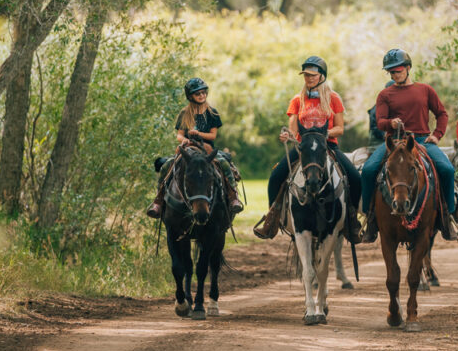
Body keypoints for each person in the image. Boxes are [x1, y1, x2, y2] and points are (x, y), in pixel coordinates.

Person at [253, 56, 362, 242]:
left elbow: (340, 128)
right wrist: (287, 136)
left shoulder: (334, 98)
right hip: (303, 148)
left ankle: (351, 219)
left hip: (328, 146)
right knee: (276, 176)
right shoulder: (298, 100)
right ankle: (272, 218)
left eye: (313, 75)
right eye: (306, 75)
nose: (309, 78)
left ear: (322, 76)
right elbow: (293, 130)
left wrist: (323, 134)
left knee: (355, 177)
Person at [360, 48, 457, 243]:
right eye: (391, 71)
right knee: (368, 170)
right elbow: (380, 122)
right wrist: (391, 123)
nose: (395, 74)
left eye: (398, 70)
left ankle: (447, 216)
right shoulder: (385, 94)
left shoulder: (425, 90)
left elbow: (442, 114)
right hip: (394, 143)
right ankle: (369, 218)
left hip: (421, 140)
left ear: (408, 68)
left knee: (447, 169)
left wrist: (437, 135)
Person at [146, 77, 243, 219]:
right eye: (198, 94)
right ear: (190, 96)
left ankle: (233, 196)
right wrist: (185, 140)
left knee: (223, 163)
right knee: (167, 165)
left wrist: (198, 134)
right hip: (188, 147)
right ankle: (158, 200)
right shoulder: (184, 113)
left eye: (204, 92)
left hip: (206, 148)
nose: (202, 95)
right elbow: (179, 135)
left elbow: (213, 135)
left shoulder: (212, 113)